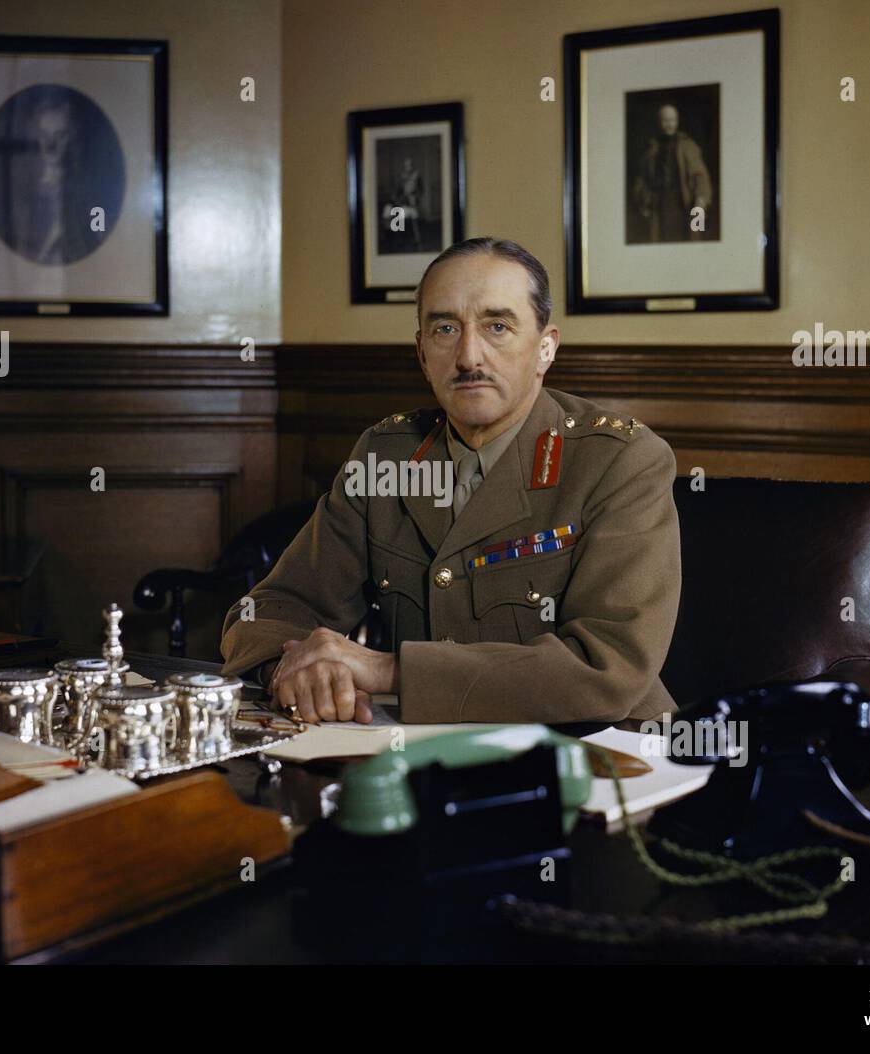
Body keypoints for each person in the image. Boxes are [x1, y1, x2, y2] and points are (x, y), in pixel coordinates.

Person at [220, 237, 681, 725]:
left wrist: (389, 671)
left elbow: (606, 669)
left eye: (497, 327)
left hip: (604, 757)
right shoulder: (388, 456)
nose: (468, 357)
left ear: (545, 348)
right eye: (445, 329)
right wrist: (292, 666)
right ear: (421, 352)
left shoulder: (620, 460)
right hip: (424, 755)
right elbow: (270, 608)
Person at [632, 104, 713, 242]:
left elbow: (700, 176)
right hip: (659, 207)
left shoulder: (688, 146)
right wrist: (644, 200)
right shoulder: (651, 150)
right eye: (665, 120)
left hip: (683, 205)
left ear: (677, 121)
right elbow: (641, 181)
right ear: (659, 122)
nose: (669, 124)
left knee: (690, 242)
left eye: (672, 120)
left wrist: (700, 201)